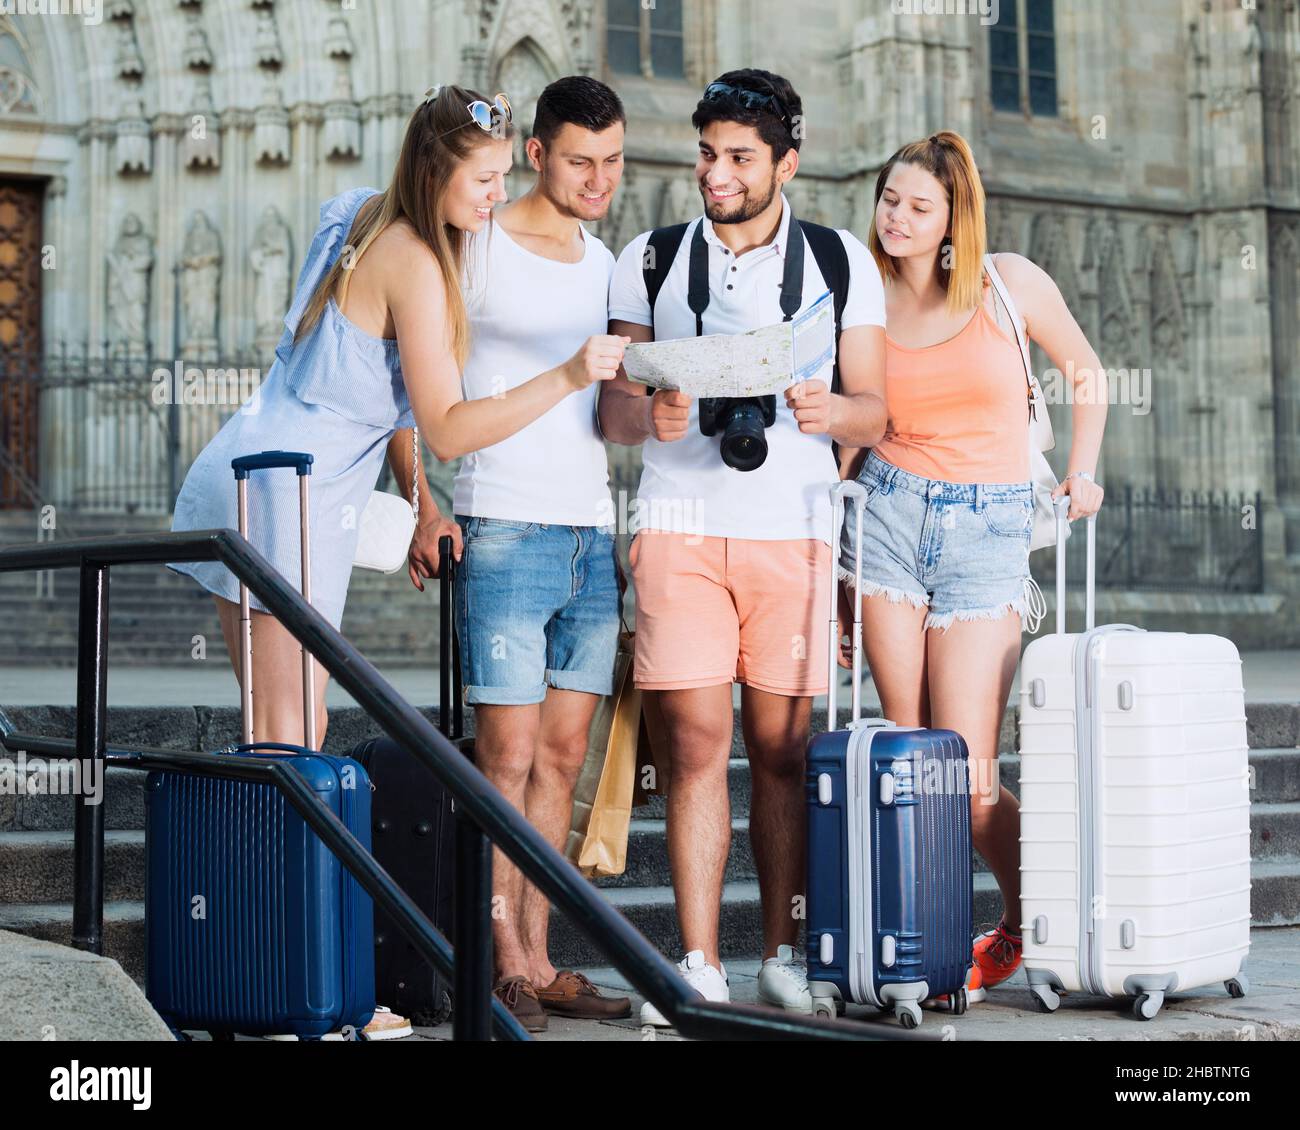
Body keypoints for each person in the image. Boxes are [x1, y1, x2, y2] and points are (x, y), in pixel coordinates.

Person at [169, 85, 627, 1037]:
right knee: (289, 741)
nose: (499, 197)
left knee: (290, 730)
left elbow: (375, 391)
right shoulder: (420, 261)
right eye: (486, 180)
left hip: (268, 469)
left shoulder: (358, 211)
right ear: (437, 171)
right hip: (283, 492)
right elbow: (451, 427)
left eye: (507, 179)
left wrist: (418, 501)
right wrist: (570, 374)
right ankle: (297, 986)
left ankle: (290, 978)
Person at [600, 69, 888, 1025]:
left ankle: (780, 954)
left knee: (782, 751)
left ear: (786, 163)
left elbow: (876, 413)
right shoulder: (648, 258)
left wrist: (827, 407)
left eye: (738, 158)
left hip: (795, 534)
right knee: (693, 747)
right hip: (680, 530)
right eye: (707, 155)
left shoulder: (842, 262)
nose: (715, 174)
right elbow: (613, 412)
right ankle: (695, 963)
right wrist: (657, 409)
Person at [836, 130, 1107, 1003]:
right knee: (906, 754)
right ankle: (931, 948)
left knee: (969, 771)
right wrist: (835, 577)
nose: (899, 219)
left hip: (988, 530)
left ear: (955, 219)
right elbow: (851, 429)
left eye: (920, 207)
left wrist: (1084, 469)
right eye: (890, 202)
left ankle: (1029, 922)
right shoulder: (862, 294)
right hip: (886, 516)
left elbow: (1087, 372)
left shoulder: (1006, 282)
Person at [386, 77, 633, 1033]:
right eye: (581, 161)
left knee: (564, 758)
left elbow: (602, 412)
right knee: (507, 757)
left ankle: (539, 953)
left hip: (588, 531)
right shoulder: (473, 249)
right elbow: (408, 400)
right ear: (536, 154)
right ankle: (501, 960)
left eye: (613, 163)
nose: (599, 180)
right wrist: (423, 502)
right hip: (503, 530)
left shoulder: (606, 261)